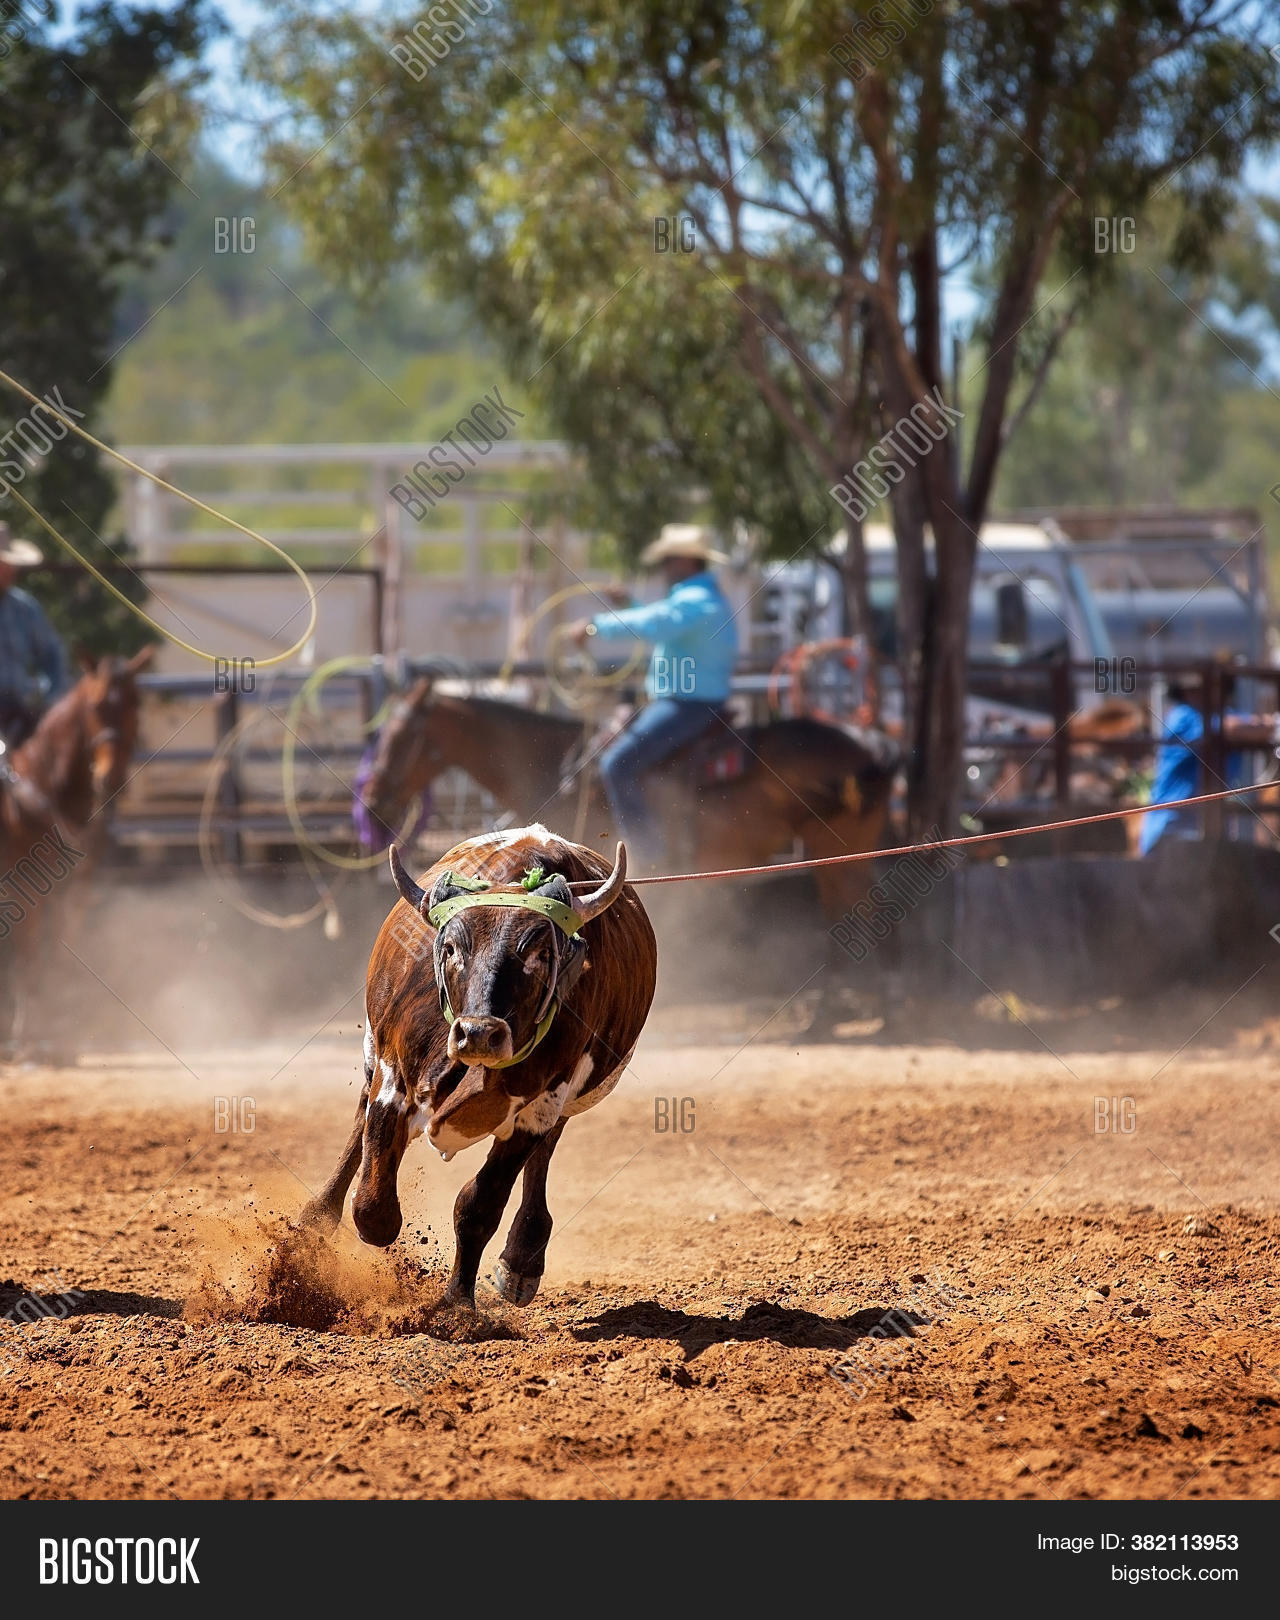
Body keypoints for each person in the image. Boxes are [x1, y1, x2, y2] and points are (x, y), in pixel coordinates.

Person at [567, 524, 737, 867]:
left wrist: (595, 626)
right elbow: (662, 625)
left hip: (686, 705)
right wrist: (629, 605)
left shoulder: (694, 601)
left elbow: (656, 624)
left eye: (669, 559)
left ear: (687, 560)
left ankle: (647, 857)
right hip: (690, 702)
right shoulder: (700, 599)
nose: (664, 566)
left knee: (616, 764)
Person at [1138, 671, 1274, 855]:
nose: (1201, 694)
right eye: (1195, 690)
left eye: (1211, 688)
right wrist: (1270, 725)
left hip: (1208, 830)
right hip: (1172, 829)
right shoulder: (1183, 716)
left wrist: (1268, 726)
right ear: (1185, 693)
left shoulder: (1226, 715)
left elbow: (1254, 727)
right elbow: (1236, 728)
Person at [0, 525, 69, 748]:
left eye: (10, 564)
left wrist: (51, 696)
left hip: (20, 710)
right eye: (4, 564)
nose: (10, 569)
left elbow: (52, 654)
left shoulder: (25, 608)